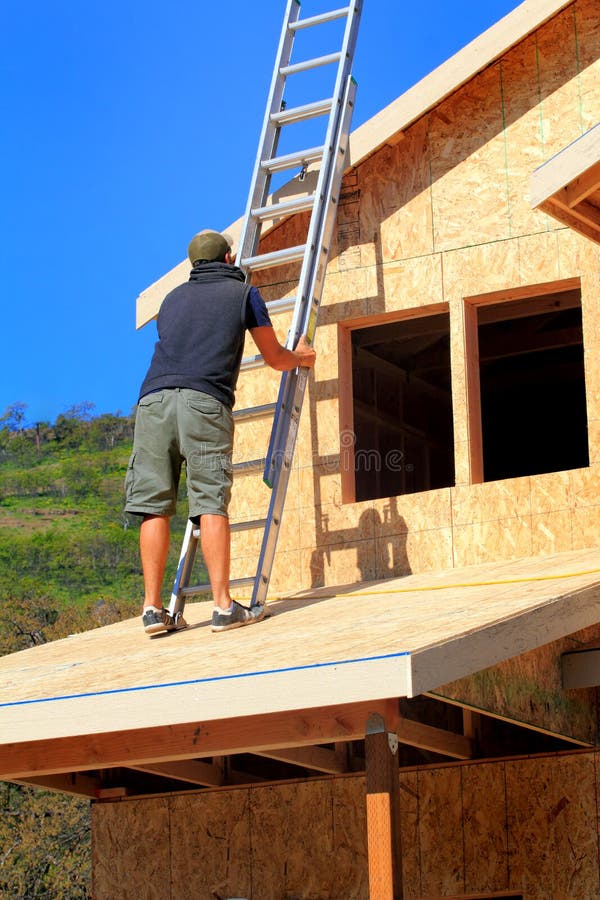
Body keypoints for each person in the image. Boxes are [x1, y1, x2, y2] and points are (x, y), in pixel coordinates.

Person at [125, 229, 316, 635]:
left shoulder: (171, 300)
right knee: (210, 501)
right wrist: (301, 356)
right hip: (203, 401)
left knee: (153, 504)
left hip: (152, 403)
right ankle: (223, 606)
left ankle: (152, 609)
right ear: (230, 258)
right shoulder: (244, 294)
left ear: (194, 264)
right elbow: (275, 358)